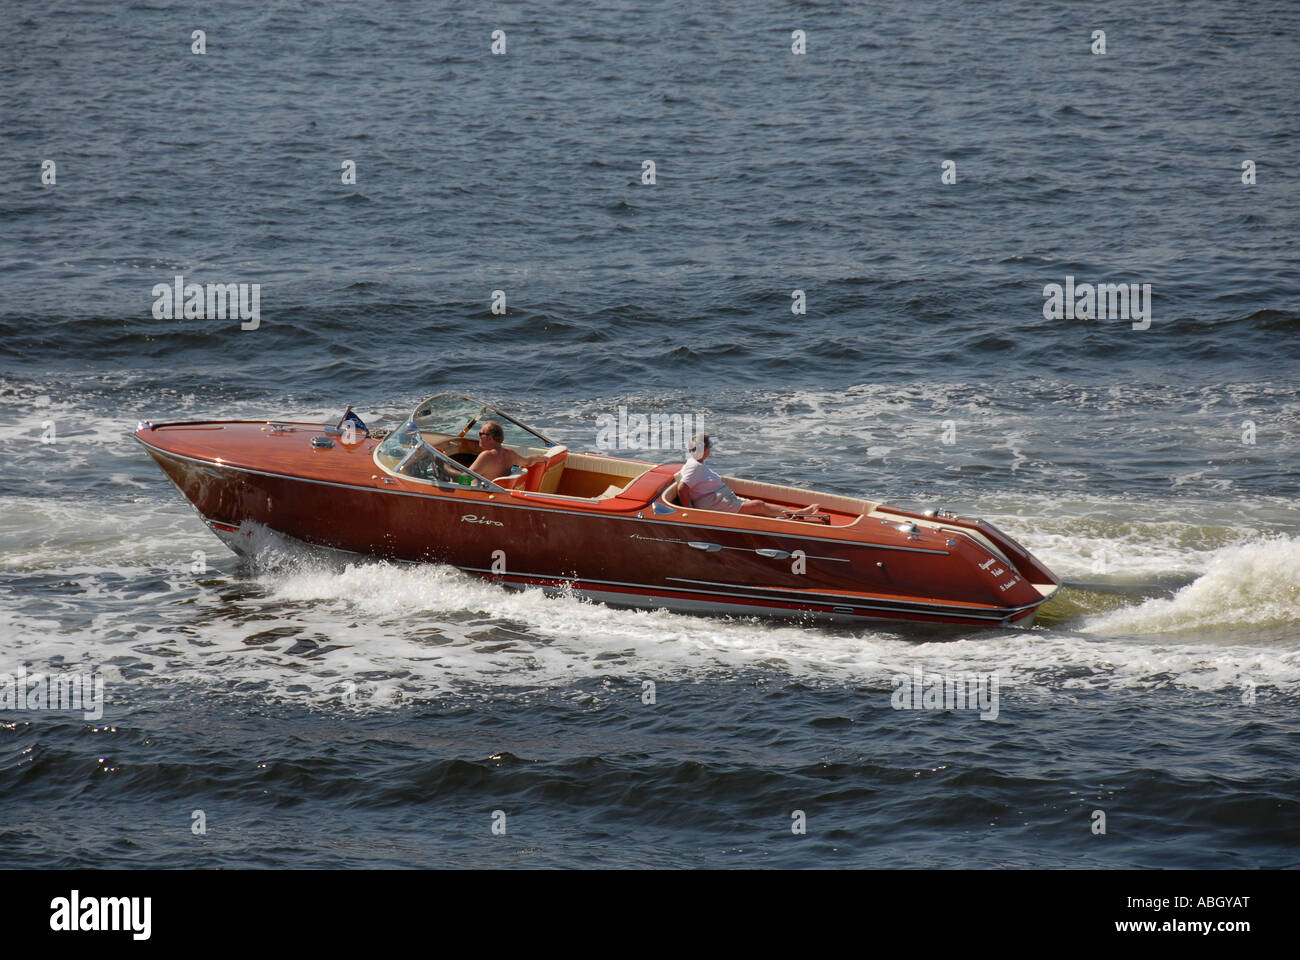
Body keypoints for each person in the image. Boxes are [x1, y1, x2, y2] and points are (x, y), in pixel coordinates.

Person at [669, 433, 821, 519]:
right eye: (710, 447)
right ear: (704, 449)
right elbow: (683, 488)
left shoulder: (696, 464)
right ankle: (799, 515)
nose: (711, 450)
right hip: (714, 503)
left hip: (720, 499)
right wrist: (690, 513)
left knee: (758, 507)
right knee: (758, 505)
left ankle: (796, 514)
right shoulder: (694, 466)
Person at [467, 420, 545, 480]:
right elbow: (528, 461)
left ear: (490, 438)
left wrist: (454, 470)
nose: (478, 436)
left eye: (481, 434)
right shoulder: (510, 453)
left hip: (482, 494)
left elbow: (464, 480)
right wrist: (542, 457)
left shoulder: (486, 456)